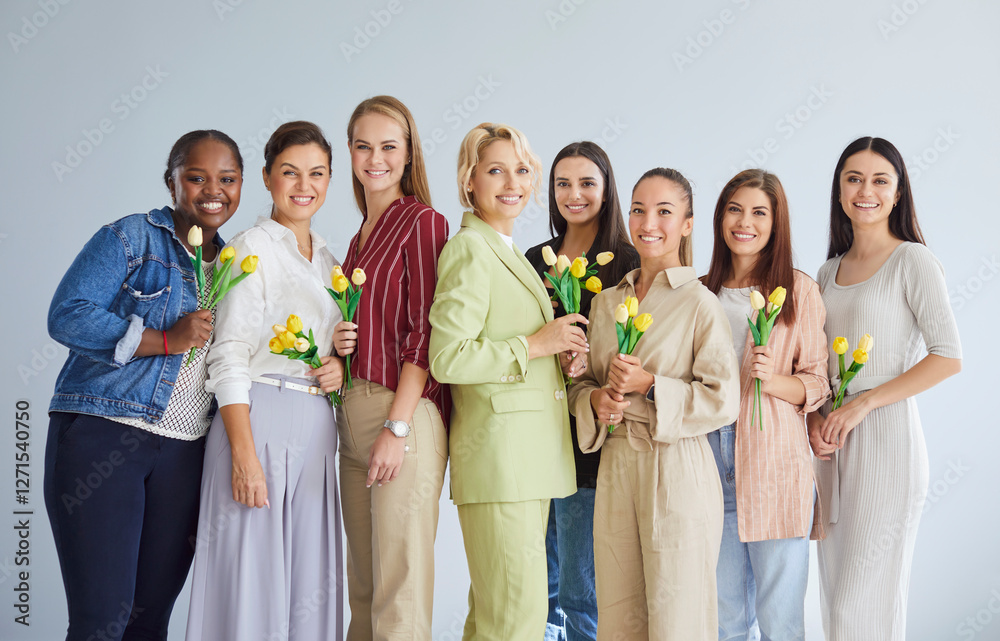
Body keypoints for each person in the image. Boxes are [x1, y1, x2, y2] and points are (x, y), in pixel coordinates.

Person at [44, 130, 243, 641]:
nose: (212, 190)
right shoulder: (133, 236)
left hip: (186, 453)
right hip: (105, 434)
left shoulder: (236, 264)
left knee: (149, 622)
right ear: (171, 182)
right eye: (196, 177)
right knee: (99, 622)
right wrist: (161, 339)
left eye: (227, 179)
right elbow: (67, 315)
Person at [186, 121, 344, 641]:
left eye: (317, 173)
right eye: (290, 172)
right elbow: (226, 356)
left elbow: (331, 347)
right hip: (258, 422)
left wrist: (337, 368)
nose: (305, 185)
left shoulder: (329, 259)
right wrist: (244, 455)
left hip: (318, 432)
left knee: (308, 585)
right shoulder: (249, 248)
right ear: (267, 178)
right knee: (250, 584)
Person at [568, 167, 740, 640]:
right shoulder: (607, 303)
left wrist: (649, 385)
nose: (649, 222)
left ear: (687, 224)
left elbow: (723, 400)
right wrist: (597, 401)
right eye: (639, 210)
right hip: (617, 466)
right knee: (619, 613)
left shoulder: (700, 303)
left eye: (665, 211)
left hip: (678, 468)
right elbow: (583, 387)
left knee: (677, 615)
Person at [428, 123, 584, 640]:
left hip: (525, 464)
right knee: (514, 621)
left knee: (497, 618)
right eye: (496, 170)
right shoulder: (472, 249)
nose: (512, 182)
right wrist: (535, 345)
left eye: (521, 170)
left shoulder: (508, 252)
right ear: (469, 181)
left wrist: (555, 359)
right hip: (502, 464)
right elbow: (447, 358)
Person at [808, 137, 961, 641]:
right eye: (853, 178)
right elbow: (814, 366)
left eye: (880, 180)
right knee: (833, 599)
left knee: (864, 601)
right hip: (831, 449)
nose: (865, 190)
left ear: (898, 194)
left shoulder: (913, 262)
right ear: (839, 190)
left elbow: (947, 357)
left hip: (887, 446)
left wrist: (864, 404)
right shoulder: (827, 272)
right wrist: (818, 419)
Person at [331, 95, 450, 641]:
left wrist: (397, 428)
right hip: (351, 419)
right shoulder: (357, 239)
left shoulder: (422, 221)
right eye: (363, 146)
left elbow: (425, 332)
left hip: (400, 415)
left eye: (388, 146)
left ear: (408, 155)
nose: (374, 158)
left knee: (398, 593)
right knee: (362, 589)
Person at [701, 169, 829, 641]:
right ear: (719, 218)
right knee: (725, 621)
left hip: (774, 470)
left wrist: (771, 379)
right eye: (735, 209)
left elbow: (818, 383)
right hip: (708, 469)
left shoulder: (798, 291)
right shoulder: (698, 292)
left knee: (781, 623)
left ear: (776, 224)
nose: (745, 222)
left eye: (759, 212)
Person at [524, 141, 639, 641]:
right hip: (533, 430)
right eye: (563, 183)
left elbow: (639, 346)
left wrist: (588, 360)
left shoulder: (626, 262)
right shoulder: (533, 259)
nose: (574, 194)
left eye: (587, 183)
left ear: (607, 189)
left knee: (580, 587)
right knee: (536, 584)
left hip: (590, 440)